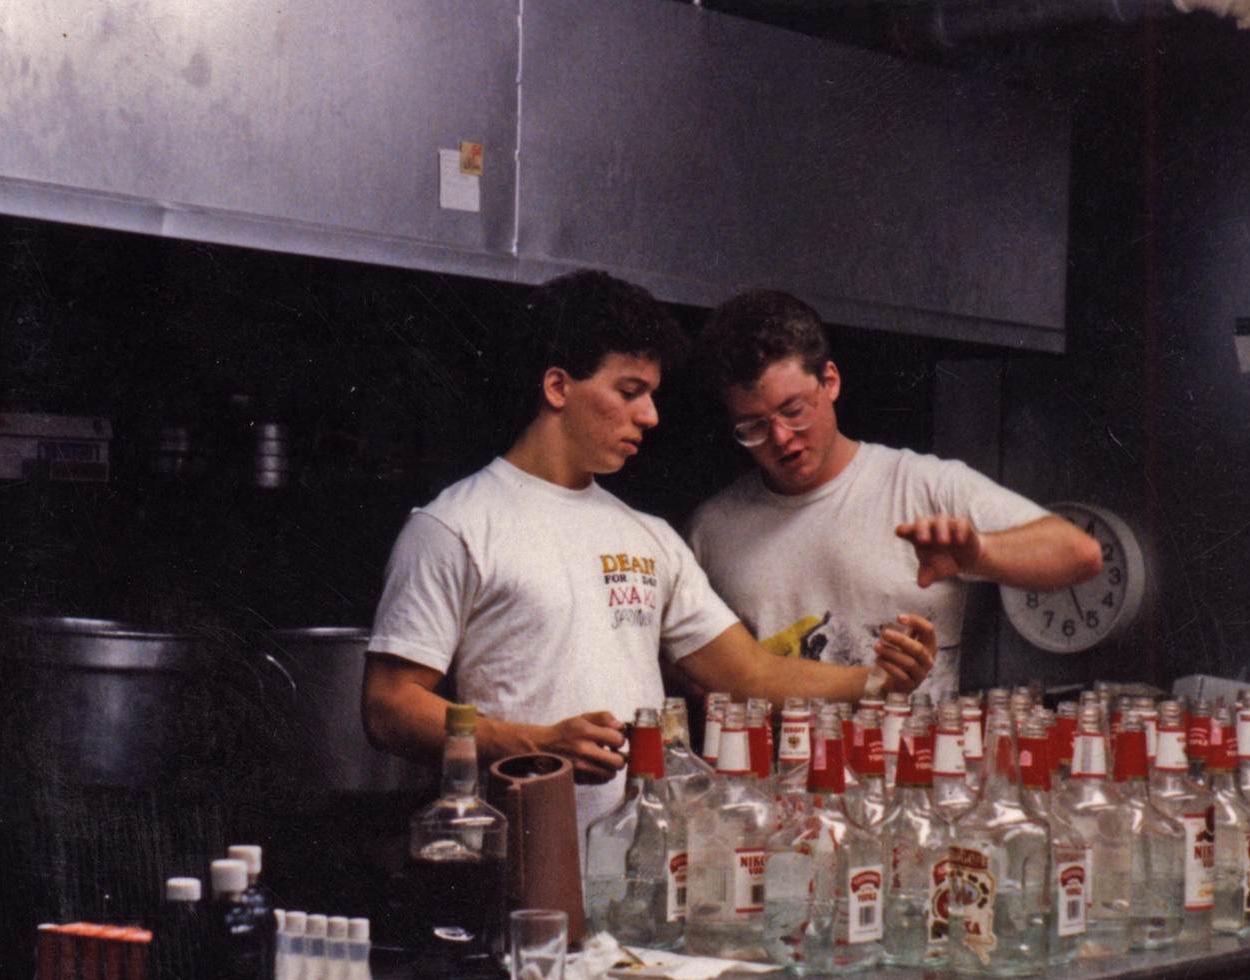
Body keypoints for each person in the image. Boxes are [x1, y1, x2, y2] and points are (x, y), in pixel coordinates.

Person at [362, 270, 936, 841]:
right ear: (558, 387)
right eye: (630, 391)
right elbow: (390, 706)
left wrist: (875, 683)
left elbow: (747, 673)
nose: (651, 416)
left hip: (643, 870)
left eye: (653, 395)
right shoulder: (456, 526)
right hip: (518, 860)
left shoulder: (648, 537)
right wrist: (536, 744)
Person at [686, 289, 1103, 698]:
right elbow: (682, 660)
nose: (780, 437)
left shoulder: (923, 486)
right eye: (753, 427)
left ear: (830, 382)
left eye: (794, 410)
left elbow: (1080, 554)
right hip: (776, 765)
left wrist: (979, 555)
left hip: (916, 762)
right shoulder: (712, 528)